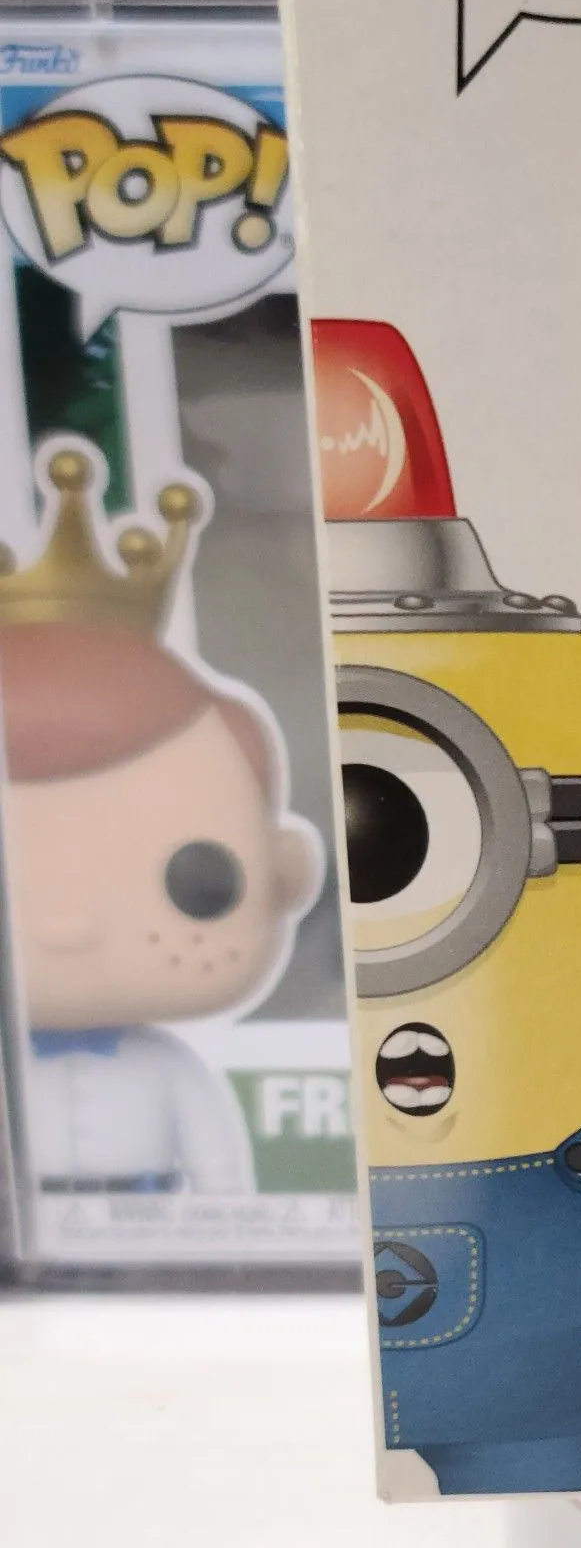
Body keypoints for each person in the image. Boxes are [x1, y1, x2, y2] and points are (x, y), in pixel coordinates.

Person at [0, 447, 322, 1194]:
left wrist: (226, 1235)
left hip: (160, 1238)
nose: (67, 926)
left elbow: (223, 1184)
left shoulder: (171, 1071)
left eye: (197, 882)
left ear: (285, 869)